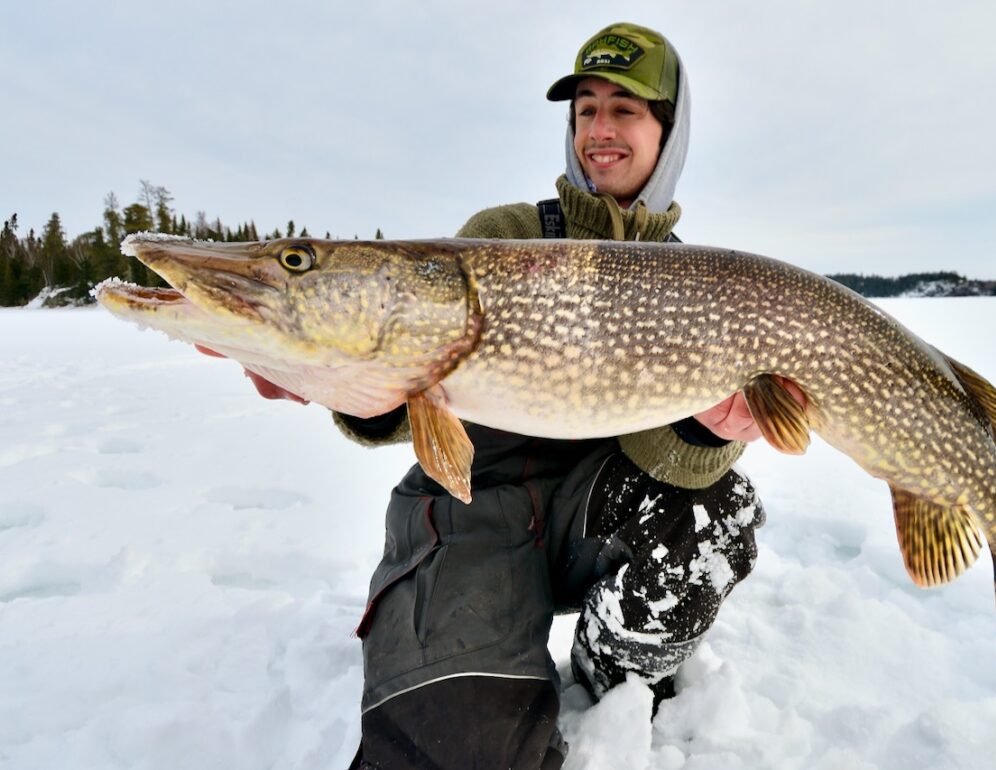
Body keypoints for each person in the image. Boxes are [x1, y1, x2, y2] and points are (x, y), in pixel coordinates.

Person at [224, 22, 773, 770]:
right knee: (455, 751)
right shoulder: (504, 236)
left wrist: (711, 434)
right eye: (584, 110)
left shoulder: (695, 280)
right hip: (473, 506)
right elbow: (413, 381)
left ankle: (613, 674)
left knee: (716, 504)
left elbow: (664, 456)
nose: (599, 130)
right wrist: (342, 381)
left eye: (625, 109)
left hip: (590, 515)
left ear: (667, 133)